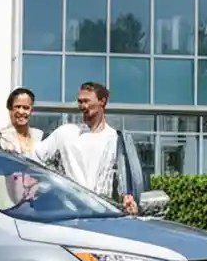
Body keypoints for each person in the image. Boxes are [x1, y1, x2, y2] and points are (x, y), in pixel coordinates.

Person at [25, 82, 138, 216]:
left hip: (102, 215)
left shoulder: (115, 140)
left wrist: (128, 200)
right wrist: (51, 188)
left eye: (87, 101)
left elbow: (123, 182)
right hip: (69, 213)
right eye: (80, 102)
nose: (83, 106)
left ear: (102, 101)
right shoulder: (66, 132)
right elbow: (33, 160)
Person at [0, 88, 43, 156]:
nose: (21, 112)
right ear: (10, 109)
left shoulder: (40, 137)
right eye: (17, 107)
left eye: (26, 108)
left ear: (32, 110)